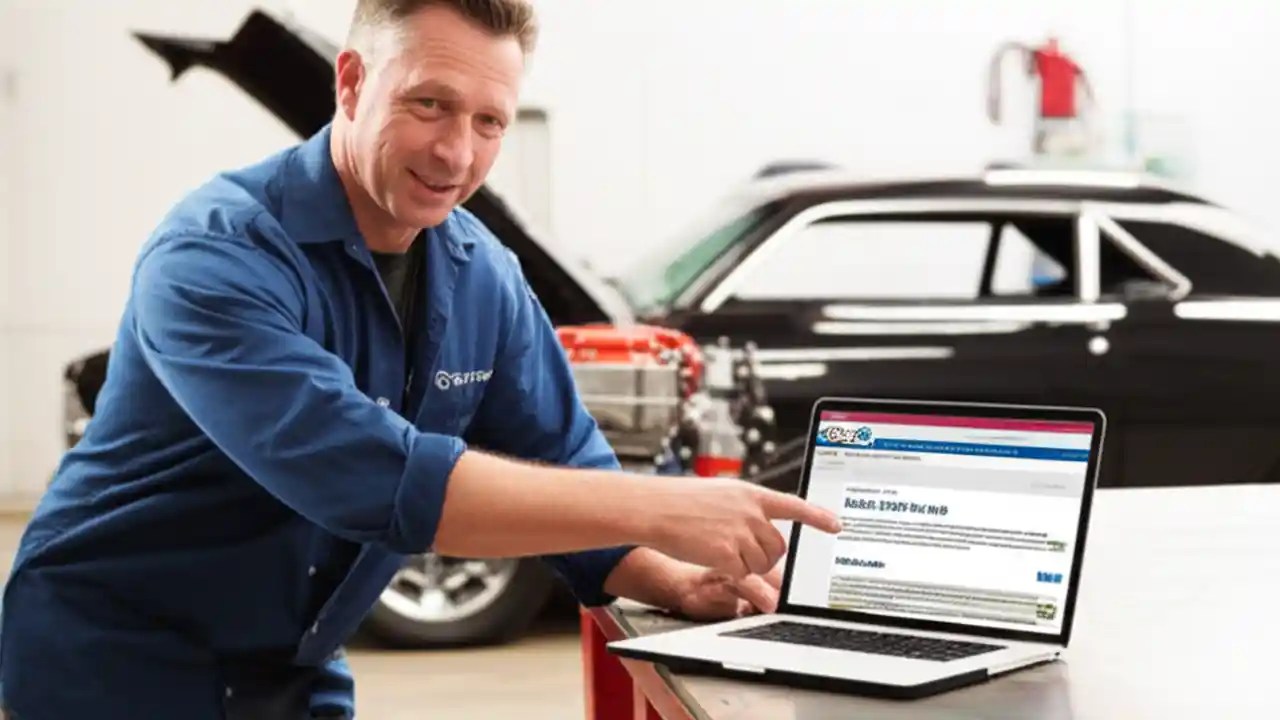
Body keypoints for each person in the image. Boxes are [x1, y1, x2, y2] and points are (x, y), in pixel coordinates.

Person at [0, 1, 841, 717]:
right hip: (114, 662)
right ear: (353, 82)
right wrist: (666, 508)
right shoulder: (217, 255)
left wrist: (665, 576)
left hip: (294, 667)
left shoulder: (483, 275)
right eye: (430, 104)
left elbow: (561, 456)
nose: (456, 153)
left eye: (489, 122)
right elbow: (371, 477)